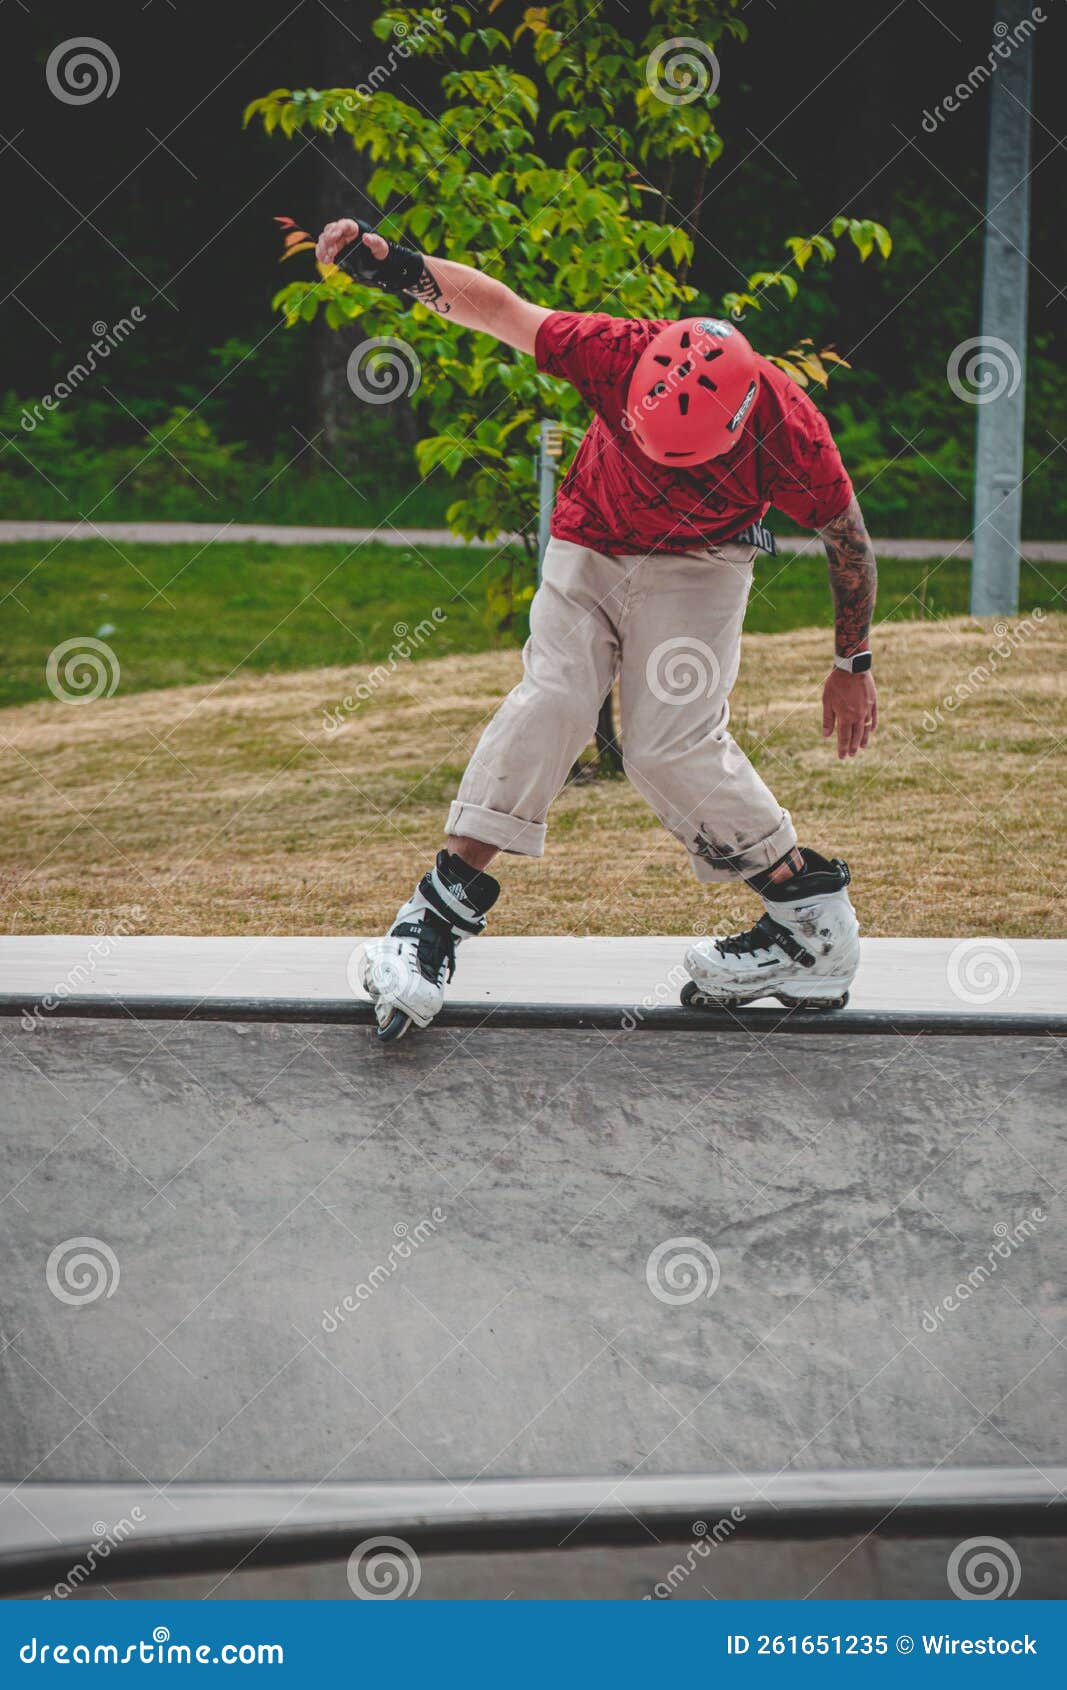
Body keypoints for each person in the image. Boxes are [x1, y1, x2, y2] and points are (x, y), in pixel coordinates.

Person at [315, 217, 878, 1040]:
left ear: (735, 423)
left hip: (702, 563)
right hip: (589, 540)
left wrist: (849, 660)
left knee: (668, 744)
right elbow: (498, 307)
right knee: (554, 701)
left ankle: (808, 921)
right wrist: (392, 264)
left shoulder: (790, 433)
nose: (656, 460)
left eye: (675, 457)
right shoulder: (615, 350)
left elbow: (848, 542)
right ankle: (431, 922)